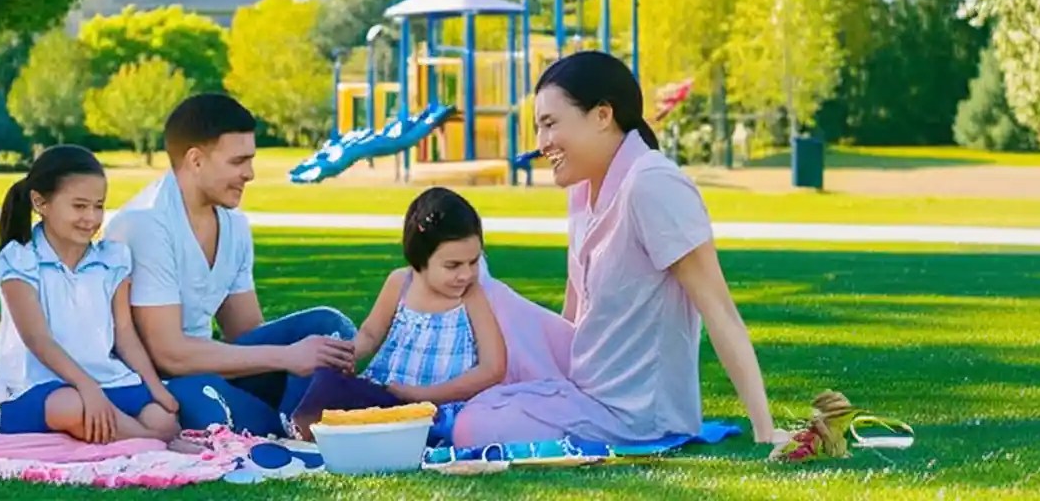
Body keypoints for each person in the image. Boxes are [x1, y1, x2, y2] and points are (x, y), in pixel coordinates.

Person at [452, 51, 781, 448]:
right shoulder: (580, 189)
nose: (541, 144)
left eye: (550, 124)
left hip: (636, 415)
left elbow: (719, 310)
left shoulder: (653, 185)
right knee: (481, 301)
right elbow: (574, 319)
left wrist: (766, 430)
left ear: (602, 115)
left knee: (473, 426)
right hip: (585, 387)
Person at [105, 93, 358, 437]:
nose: (250, 174)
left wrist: (292, 359)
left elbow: (246, 334)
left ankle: (293, 422)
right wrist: (287, 359)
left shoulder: (234, 224)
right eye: (238, 161)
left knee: (329, 328)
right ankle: (301, 422)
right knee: (215, 409)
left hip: (211, 368)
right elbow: (168, 355)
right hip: (155, 383)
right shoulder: (147, 224)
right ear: (195, 160)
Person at [0, 145, 180, 444]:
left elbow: (125, 333)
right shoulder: (19, 260)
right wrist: (87, 387)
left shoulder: (113, 259)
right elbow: (37, 339)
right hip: (36, 387)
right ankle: (156, 446)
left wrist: (155, 387)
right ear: (40, 202)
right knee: (74, 408)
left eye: (99, 205)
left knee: (165, 420)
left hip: (106, 379)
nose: (91, 218)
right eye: (79, 206)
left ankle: (152, 439)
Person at [289, 187, 507, 442]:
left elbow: (493, 368)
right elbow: (371, 333)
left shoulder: (471, 296)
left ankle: (312, 430)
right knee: (324, 378)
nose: (466, 274)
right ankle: (308, 426)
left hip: (438, 407)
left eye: (473, 261)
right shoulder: (400, 283)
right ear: (419, 259)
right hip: (387, 396)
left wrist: (422, 395)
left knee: (447, 426)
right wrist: (347, 354)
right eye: (453, 265)